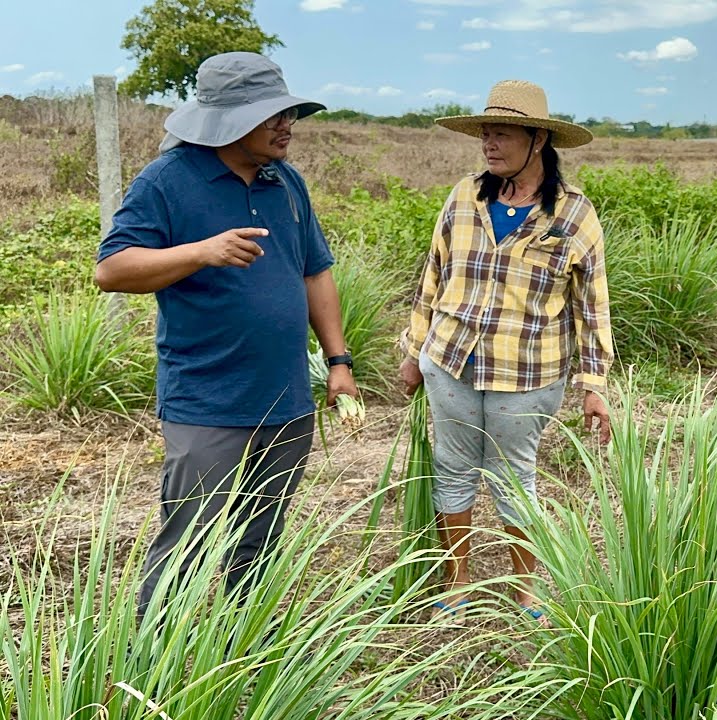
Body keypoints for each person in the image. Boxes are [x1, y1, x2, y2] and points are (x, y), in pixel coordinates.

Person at [94, 52, 357, 620]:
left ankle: (245, 649)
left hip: (285, 399)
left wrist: (339, 361)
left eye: (289, 113)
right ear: (231, 121)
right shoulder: (168, 180)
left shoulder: (286, 182)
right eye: (273, 115)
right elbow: (111, 270)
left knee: (259, 542)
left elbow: (314, 273)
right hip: (207, 400)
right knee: (187, 544)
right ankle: (153, 658)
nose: (287, 125)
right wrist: (201, 252)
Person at [399, 79, 613, 624]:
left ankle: (525, 588)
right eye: (485, 134)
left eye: (502, 135)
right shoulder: (464, 196)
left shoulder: (573, 215)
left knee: (513, 476)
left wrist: (594, 384)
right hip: (450, 359)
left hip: (528, 371)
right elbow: (433, 273)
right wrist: (414, 349)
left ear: (538, 139)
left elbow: (592, 305)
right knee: (453, 467)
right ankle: (457, 581)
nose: (489, 144)